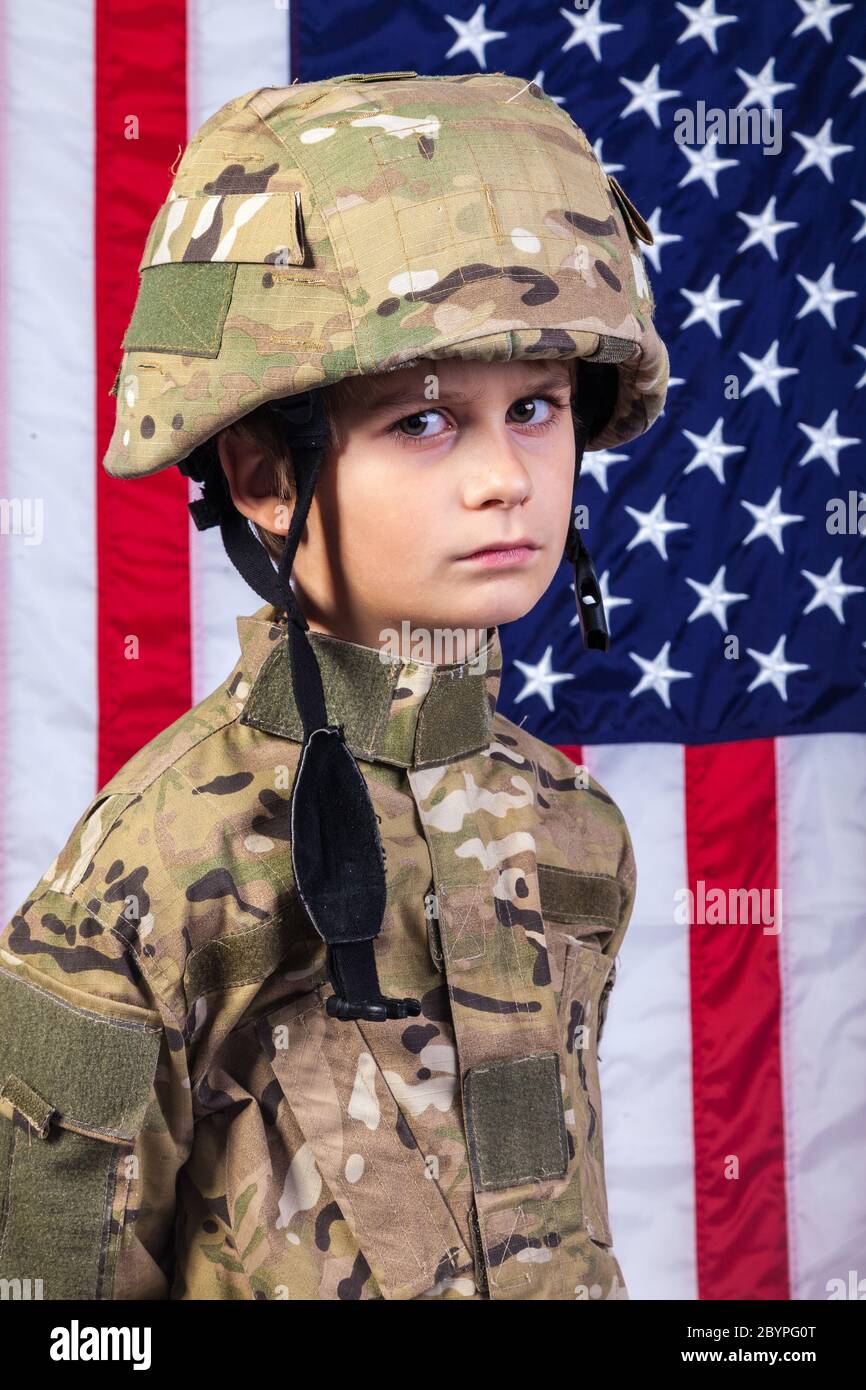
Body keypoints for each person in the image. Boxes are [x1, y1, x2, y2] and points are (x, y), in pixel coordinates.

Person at [0, 69, 669, 1300]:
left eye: (532, 407)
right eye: (424, 423)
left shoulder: (573, 828)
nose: (503, 479)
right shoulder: (157, 867)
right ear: (262, 473)